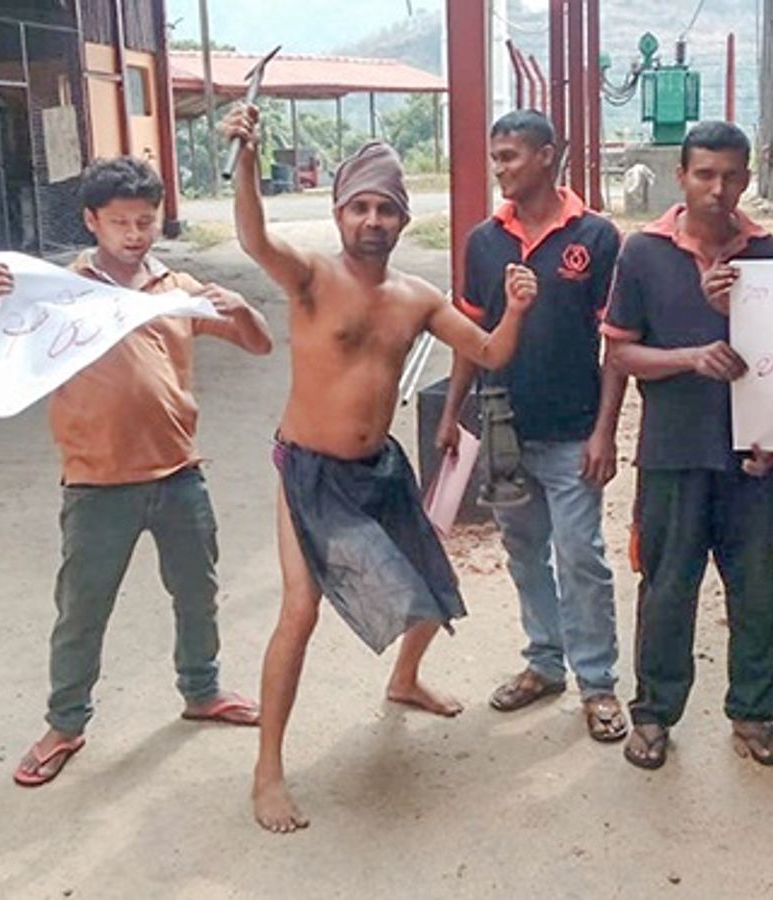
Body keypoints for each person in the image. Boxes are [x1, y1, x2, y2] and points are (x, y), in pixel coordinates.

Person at [217, 105, 537, 834]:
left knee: (432, 583)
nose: (371, 220)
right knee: (299, 613)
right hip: (308, 472)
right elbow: (253, 236)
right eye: (359, 206)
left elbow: (489, 353)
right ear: (337, 215)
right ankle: (268, 770)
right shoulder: (308, 277)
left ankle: (404, 680)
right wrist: (245, 158)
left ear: (402, 222)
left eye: (385, 209)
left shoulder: (417, 298)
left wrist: (517, 309)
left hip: (378, 468)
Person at [0, 156, 274, 788]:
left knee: (197, 592)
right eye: (120, 222)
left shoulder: (177, 289)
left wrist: (239, 306)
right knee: (82, 609)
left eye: (145, 220)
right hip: (97, 483)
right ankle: (65, 722)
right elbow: (1, 355)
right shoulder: (60, 291)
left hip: (179, 474)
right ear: (91, 221)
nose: (134, 233)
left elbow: (260, 344)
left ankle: (202, 689)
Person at [601, 121, 773, 771]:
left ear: (747, 179)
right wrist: (690, 356)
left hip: (752, 458)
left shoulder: (766, 254)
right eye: (705, 174)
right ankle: (654, 714)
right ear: (681, 176)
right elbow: (621, 350)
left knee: (762, 591)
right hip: (672, 452)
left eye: (732, 176)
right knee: (667, 590)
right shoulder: (643, 253)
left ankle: (754, 713)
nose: (719, 188)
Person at [435, 110, 630, 742]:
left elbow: (617, 345)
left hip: (574, 431)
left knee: (581, 556)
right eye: (496, 157)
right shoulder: (483, 241)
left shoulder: (597, 238)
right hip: (502, 430)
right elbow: (468, 335)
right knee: (523, 552)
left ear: (548, 156)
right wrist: (450, 412)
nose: (501, 169)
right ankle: (544, 662)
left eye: (511, 156)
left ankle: (596, 683)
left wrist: (605, 432)